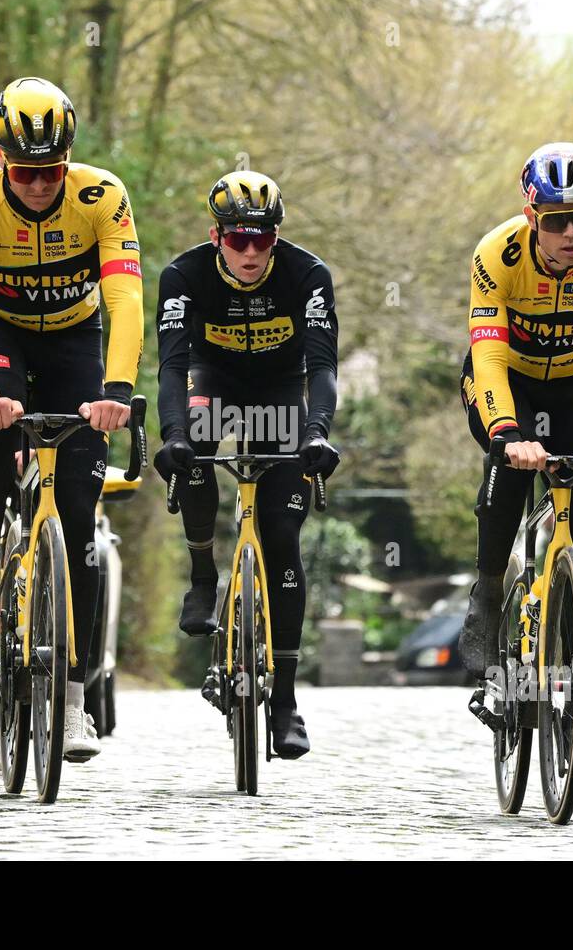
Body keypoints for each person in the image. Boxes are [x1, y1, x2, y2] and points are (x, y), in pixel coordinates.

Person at [0, 77, 144, 761]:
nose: (36, 184)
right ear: (1, 159)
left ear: (69, 160)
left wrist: (117, 387)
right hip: (2, 333)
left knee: (80, 521)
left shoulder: (102, 196)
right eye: (24, 172)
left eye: (50, 170)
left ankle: (75, 699)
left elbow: (124, 297)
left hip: (74, 339)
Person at [459, 142, 573, 774]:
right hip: (505, 381)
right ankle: (488, 596)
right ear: (531, 215)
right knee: (509, 486)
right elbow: (485, 353)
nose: (570, 234)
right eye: (555, 221)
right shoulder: (496, 254)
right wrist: (507, 432)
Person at [153, 170, 340, 760]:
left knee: (283, 537)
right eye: (239, 239)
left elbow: (322, 370)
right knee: (193, 453)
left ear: (278, 235)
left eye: (264, 238)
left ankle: (284, 700)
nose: (253, 251)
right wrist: (175, 434)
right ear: (217, 237)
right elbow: (170, 370)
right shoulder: (182, 276)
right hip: (214, 383)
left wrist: (316, 434)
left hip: (282, 392)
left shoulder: (308, 276)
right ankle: (204, 575)